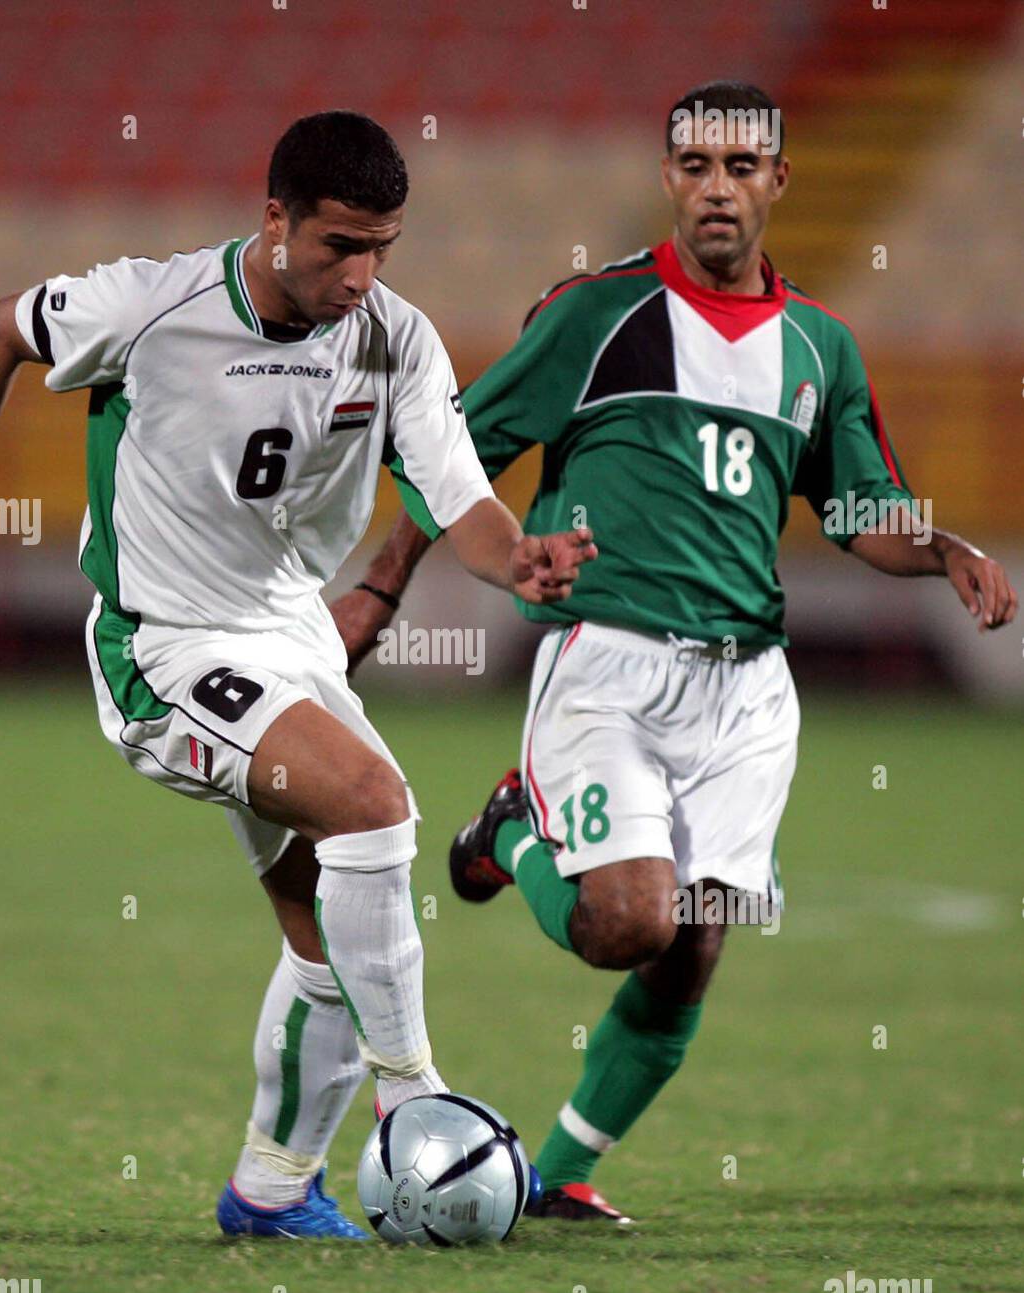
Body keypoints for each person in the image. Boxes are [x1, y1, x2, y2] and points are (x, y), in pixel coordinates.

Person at [0, 110, 596, 1239]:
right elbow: (0, 328)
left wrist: (518, 563)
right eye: (338, 245)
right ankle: (416, 1102)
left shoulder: (396, 340)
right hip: (163, 646)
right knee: (375, 810)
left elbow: (466, 503)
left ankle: (270, 1191)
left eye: (383, 247)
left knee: (329, 933)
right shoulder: (152, 306)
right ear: (274, 220)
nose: (361, 275)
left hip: (288, 639)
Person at [335, 82, 1017, 1224]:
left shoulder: (820, 349)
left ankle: (554, 1174)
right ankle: (510, 828)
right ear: (669, 178)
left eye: (740, 168)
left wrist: (941, 547)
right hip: (607, 662)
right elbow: (454, 453)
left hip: (747, 689)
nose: (717, 187)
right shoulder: (595, 314)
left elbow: (857, 511)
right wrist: (379, 585)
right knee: (626, 925)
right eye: (695, 165)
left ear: (776, 184)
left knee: (694, 949)